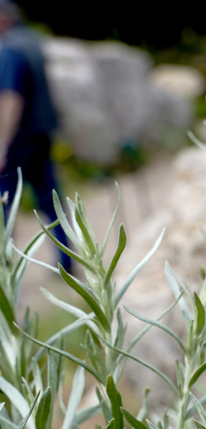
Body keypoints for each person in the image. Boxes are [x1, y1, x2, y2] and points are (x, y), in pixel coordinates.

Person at [0, 0, 72, 272]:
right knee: (50, 200)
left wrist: (2, 144)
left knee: (5, 206)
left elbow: (10, 99)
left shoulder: (9, 50)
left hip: (18, 140)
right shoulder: (32, 43)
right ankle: (67, 261)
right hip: (42, 134)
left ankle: (6, 270)